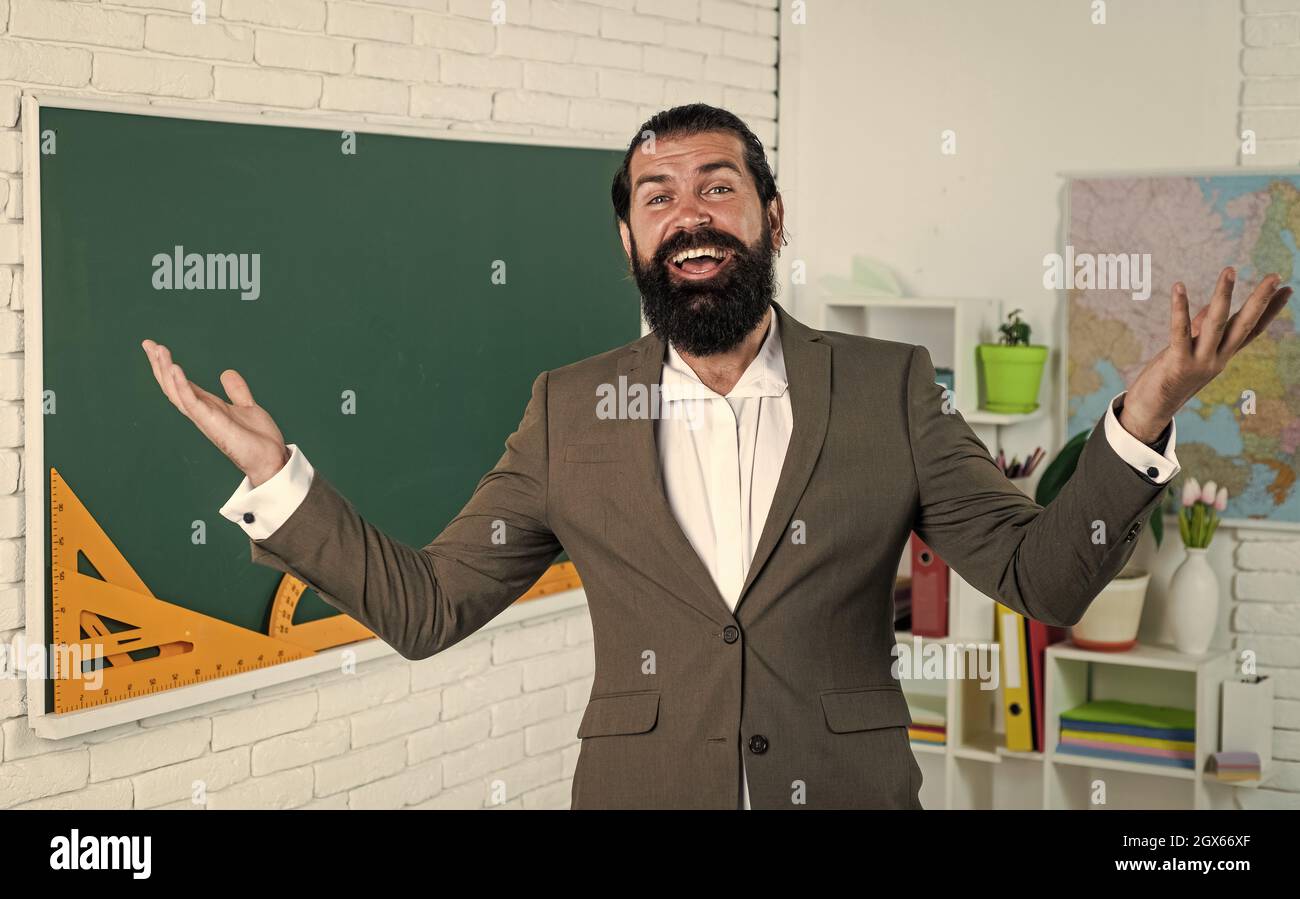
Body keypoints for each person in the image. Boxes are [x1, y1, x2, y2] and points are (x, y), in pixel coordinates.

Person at [141, 104, 1292, 809]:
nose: (687, 213)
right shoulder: (567, 411)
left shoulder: (888, 388)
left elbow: (1042, 577)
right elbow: (429, 606)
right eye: (656, 196)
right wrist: (281, 479)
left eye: (716, 187)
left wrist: (1139, 416)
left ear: (772, 219)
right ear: (629, 238)